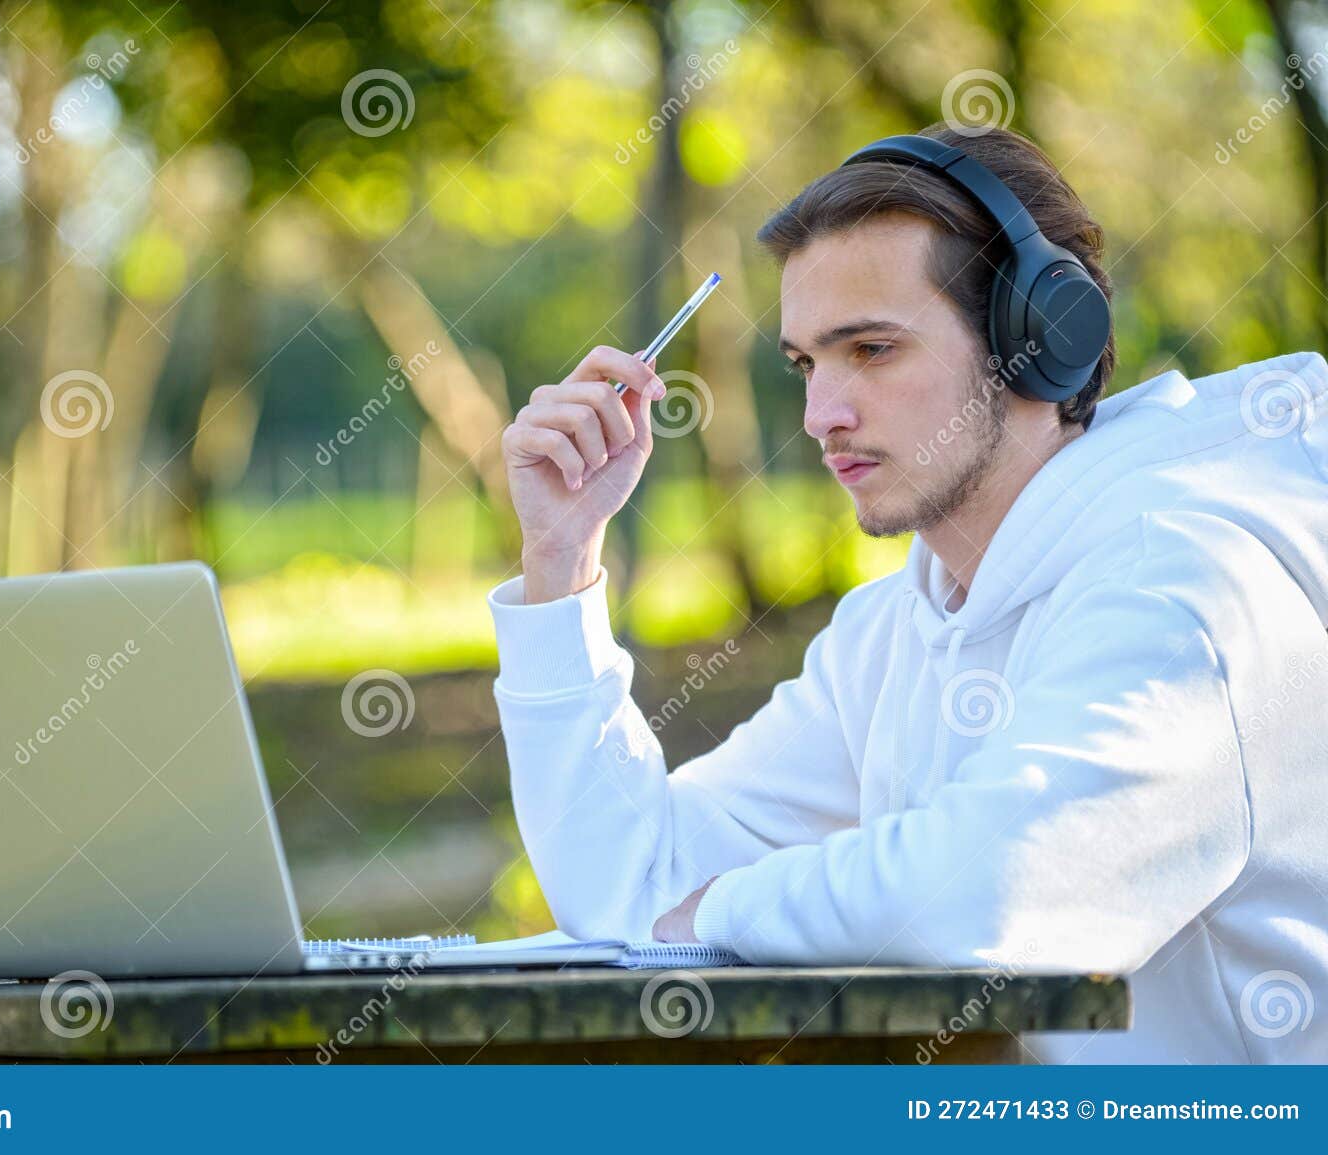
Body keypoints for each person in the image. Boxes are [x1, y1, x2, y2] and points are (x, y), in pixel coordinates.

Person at [488, 122, 1328, 1064]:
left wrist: (716, 911)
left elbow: (998, 898)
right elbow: (631, 888)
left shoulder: (1188, 584)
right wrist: (559, 564)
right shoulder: (894, 631)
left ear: (1045, 337)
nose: (820, 414)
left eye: (873, 350)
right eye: (807, 363)